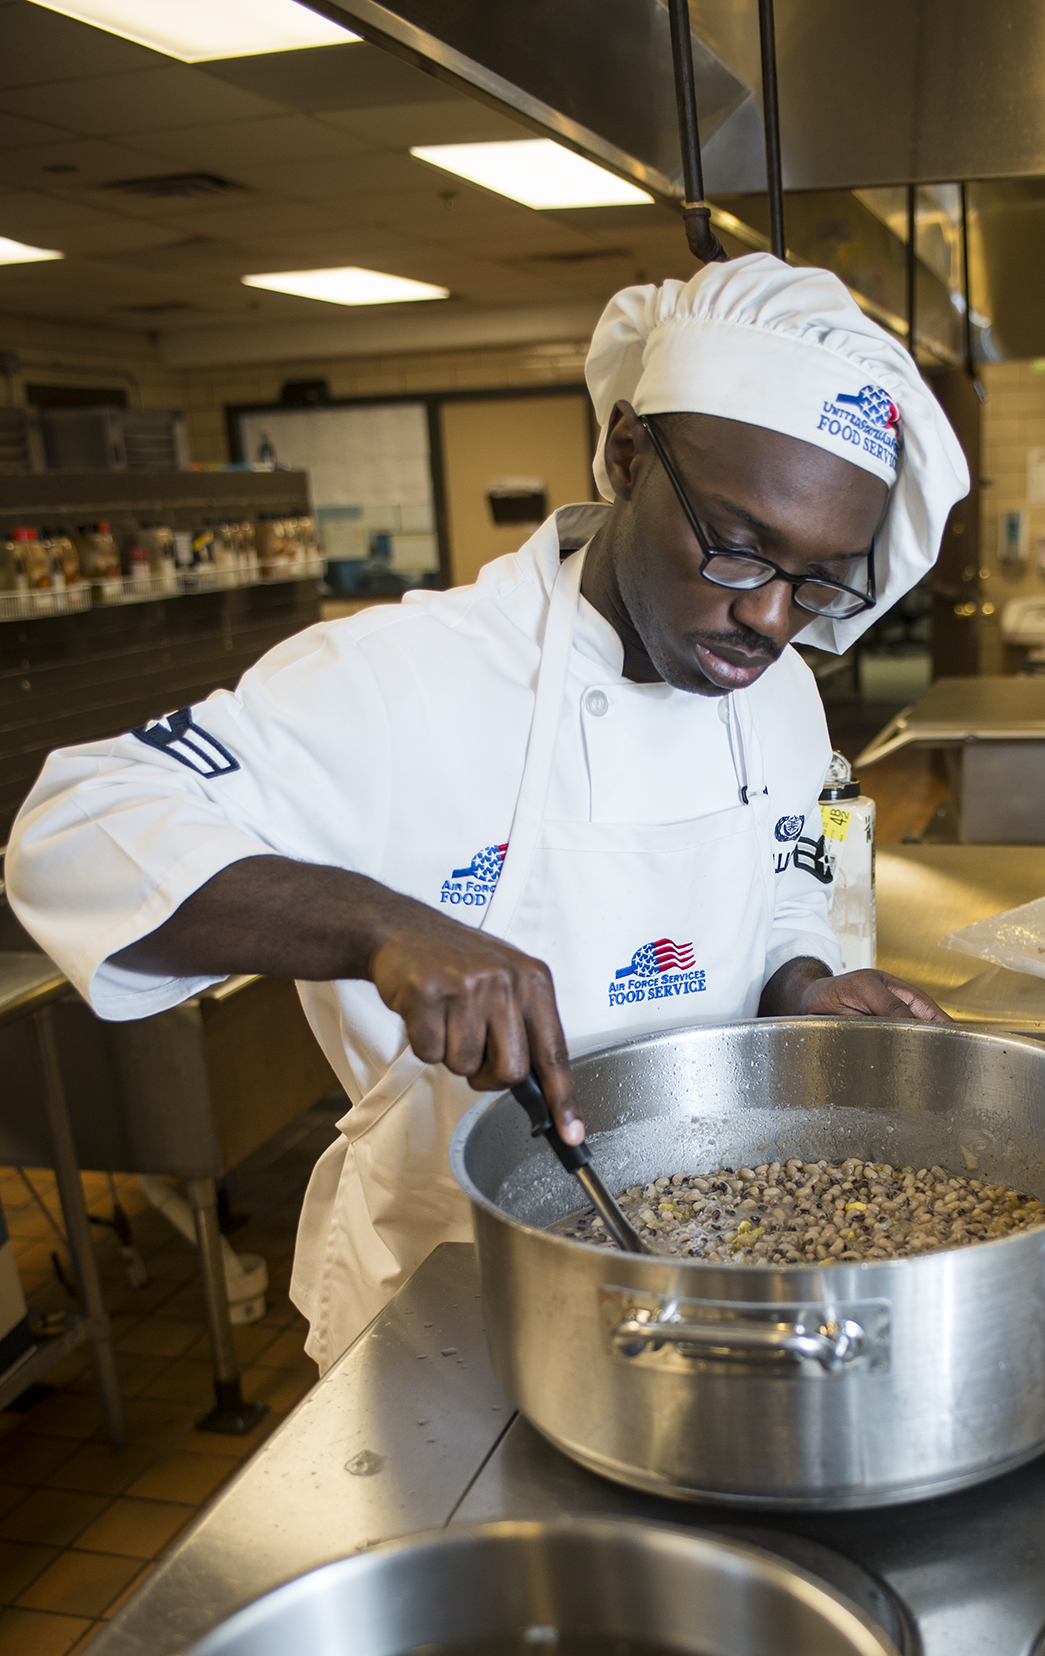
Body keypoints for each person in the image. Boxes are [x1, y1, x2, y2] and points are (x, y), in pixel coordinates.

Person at [8, 256, 971, 1369]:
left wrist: (802, 984)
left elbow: (781, 883)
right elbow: (73, 826)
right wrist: (382, 927)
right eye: (739, 543)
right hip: (447, 1296)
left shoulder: (784, 693)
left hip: (718, 1262)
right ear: (623, 452)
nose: (765, 616)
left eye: (817, 581)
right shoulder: (403, 675)